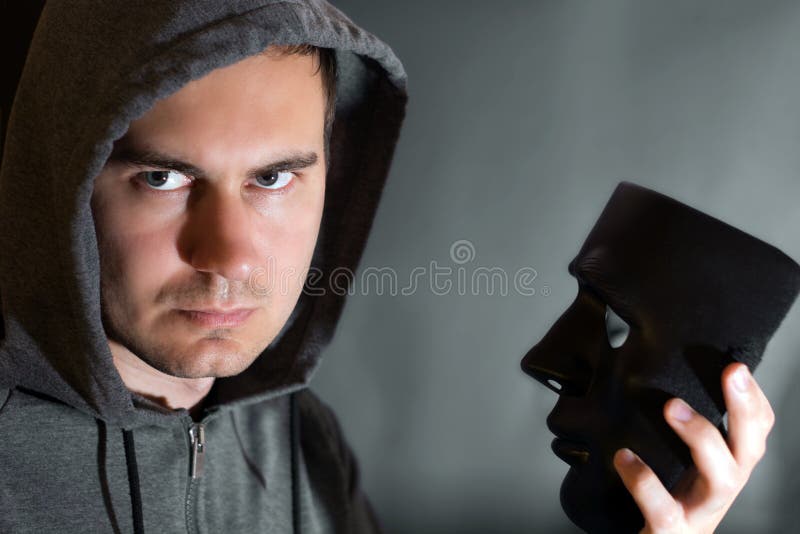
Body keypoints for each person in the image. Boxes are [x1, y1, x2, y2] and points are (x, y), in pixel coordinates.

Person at [0, 1, 774, 533]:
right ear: (62, 178)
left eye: (273, 178)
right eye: (163, 178)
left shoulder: (300, 440)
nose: (229, 254)